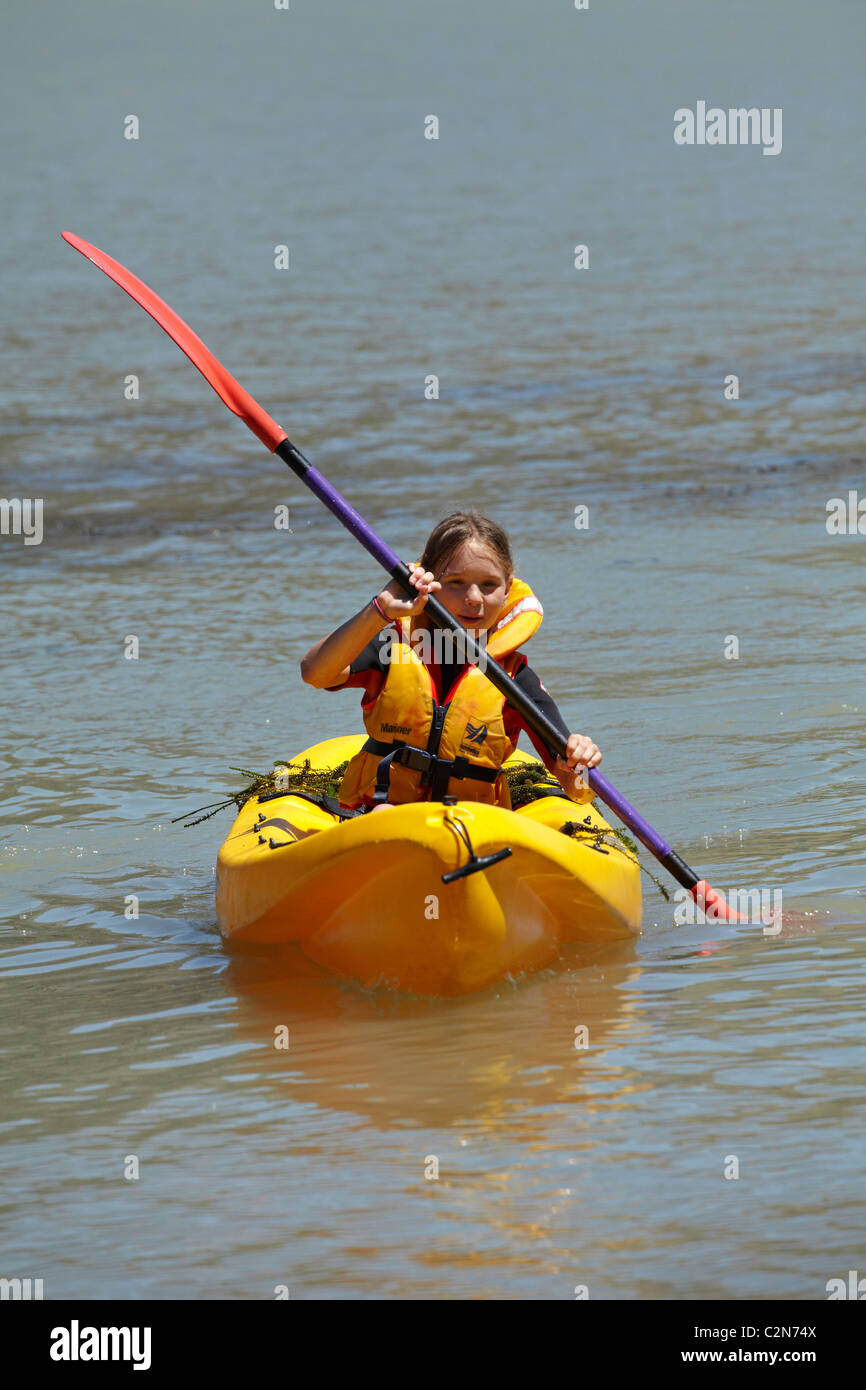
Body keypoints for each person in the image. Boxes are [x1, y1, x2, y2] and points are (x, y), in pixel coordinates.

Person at [300, 512, 601, 811]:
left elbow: (577, 788)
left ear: (508, 588)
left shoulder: (514, 678)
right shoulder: (393, 648)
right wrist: (380, 609)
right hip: (383, 816)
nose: (473, 597)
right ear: (429, 582)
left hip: (472, 827)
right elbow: (315, 672)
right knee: (385, 812)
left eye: (488, 585)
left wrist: (580, 758)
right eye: (456, 582)